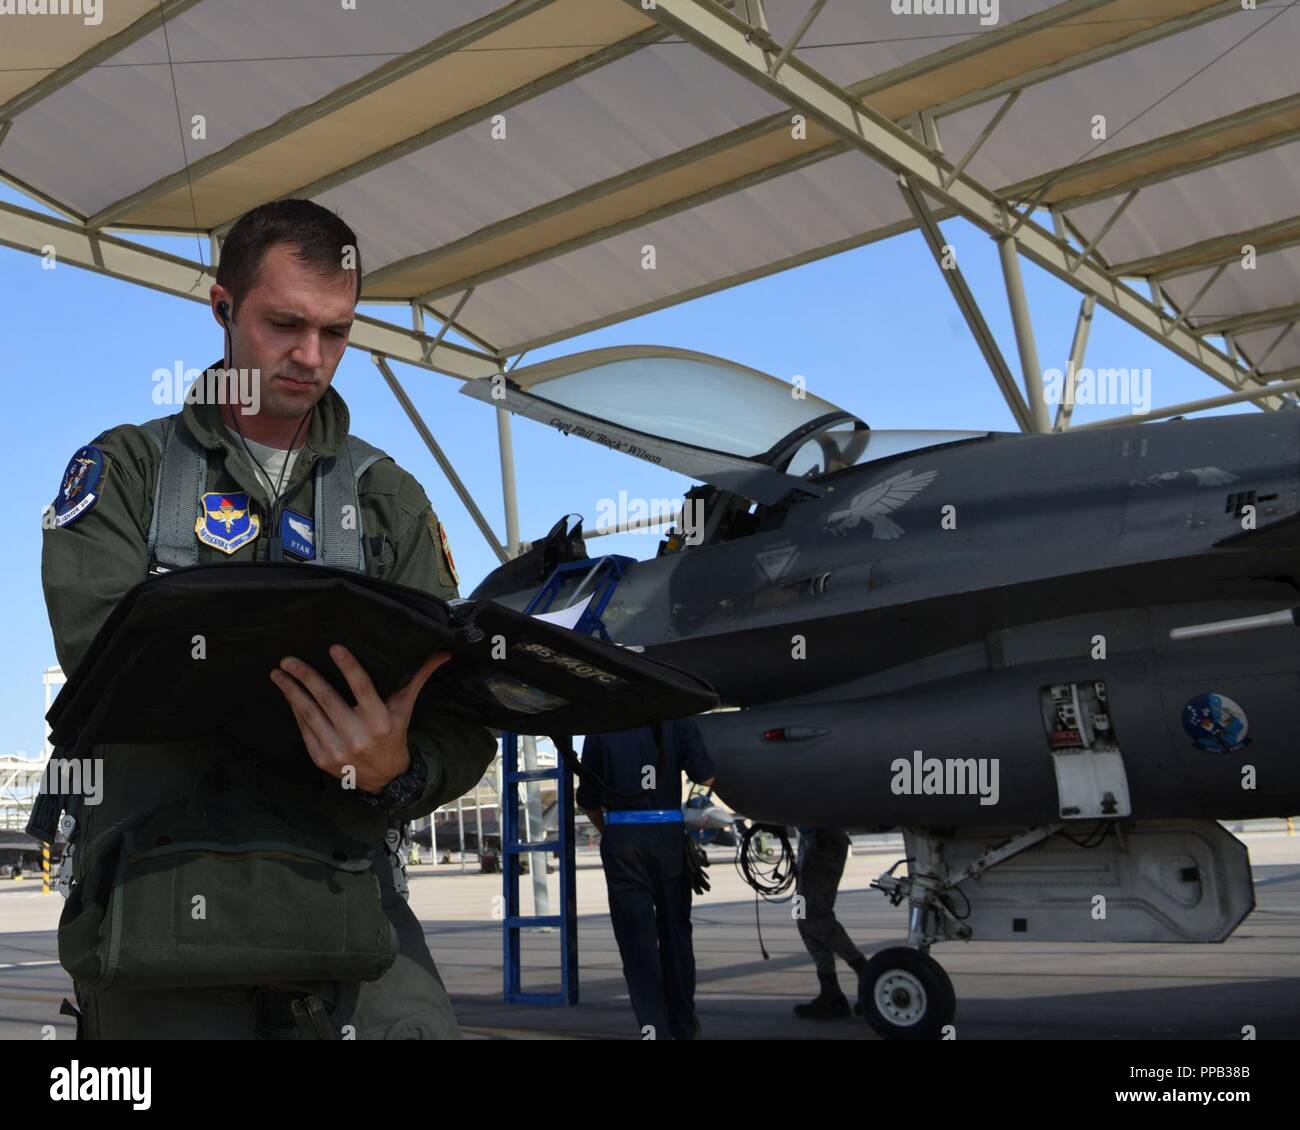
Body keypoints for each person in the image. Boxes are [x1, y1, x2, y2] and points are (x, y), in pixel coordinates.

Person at [41, 199, 497, 1039]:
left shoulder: (388, 500)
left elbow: (460, 717)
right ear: (221, 307)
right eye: (285, 324)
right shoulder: (125, 475)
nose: (311, 357)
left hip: (347, 905)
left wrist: (398, 768)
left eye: (337, 332)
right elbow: (103, 668)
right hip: (160, 901)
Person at [577, 719, 715, 1040]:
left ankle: (654, 1031)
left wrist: (613, 831)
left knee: (637, 943)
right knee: (676, 937)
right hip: (669, 835)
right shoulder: (677, 715)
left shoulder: (602, 723)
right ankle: (684, 1028)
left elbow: (587, 800)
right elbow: (705, 776)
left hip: (623, 838)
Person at [792, 826, 870, 1019]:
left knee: (814, 915)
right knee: (802, 915)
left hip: (823, 841)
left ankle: (867, 972)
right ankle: (830, 993)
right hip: (811, 839)